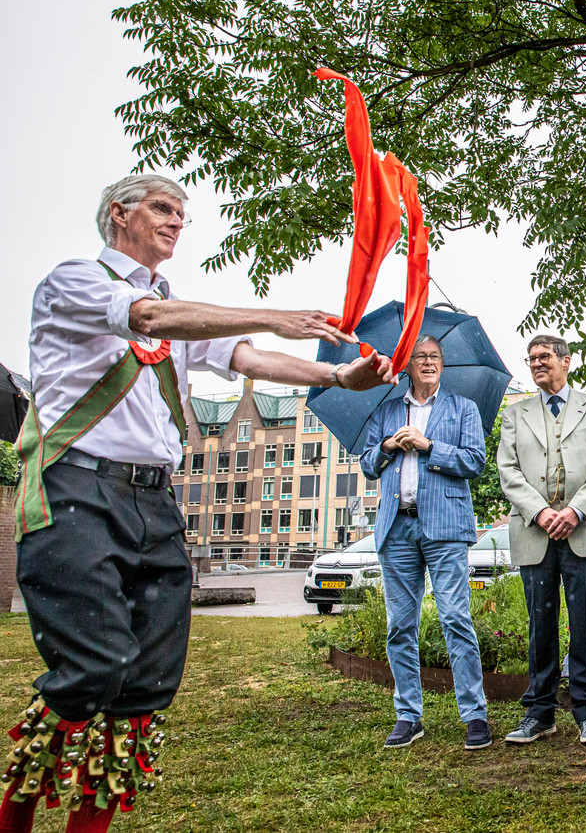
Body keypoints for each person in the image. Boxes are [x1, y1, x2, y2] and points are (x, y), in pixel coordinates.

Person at [5, 174, 394, 833]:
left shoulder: (180, 307)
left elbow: (245, 355)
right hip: (75, 486)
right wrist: (274, 312)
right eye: (163, 208)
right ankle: (14, 815)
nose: (177, 222)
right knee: (97, 664)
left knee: (148, 682)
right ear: (120, 214)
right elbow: (148, 319)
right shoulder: (73, 281)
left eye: (184, 214)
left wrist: (334, 374)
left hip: (154, 501)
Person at [360, 334, 491, 750]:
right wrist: (386, 446)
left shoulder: (462, 409)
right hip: (396, 527)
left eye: (434, 357)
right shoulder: (387, 410)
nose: (428, 362)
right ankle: (408, 715)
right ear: (407, 366)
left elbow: (475, 462)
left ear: (442, 365)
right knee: (400, 626)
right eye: (420, 357)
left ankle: (474, 714)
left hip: (446, 527)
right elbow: (367, 465)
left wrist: (429, 445)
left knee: (456, 618)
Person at [496, 335, 586, 745]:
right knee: (540, 625)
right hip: (535, 531)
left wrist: (574, 511)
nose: (536, 364)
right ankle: (540, 714)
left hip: (583, 530)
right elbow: (509, 472)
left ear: (567, 361)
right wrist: (543, 512)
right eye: (531, 359)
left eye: (544, 357)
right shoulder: (515, 415)